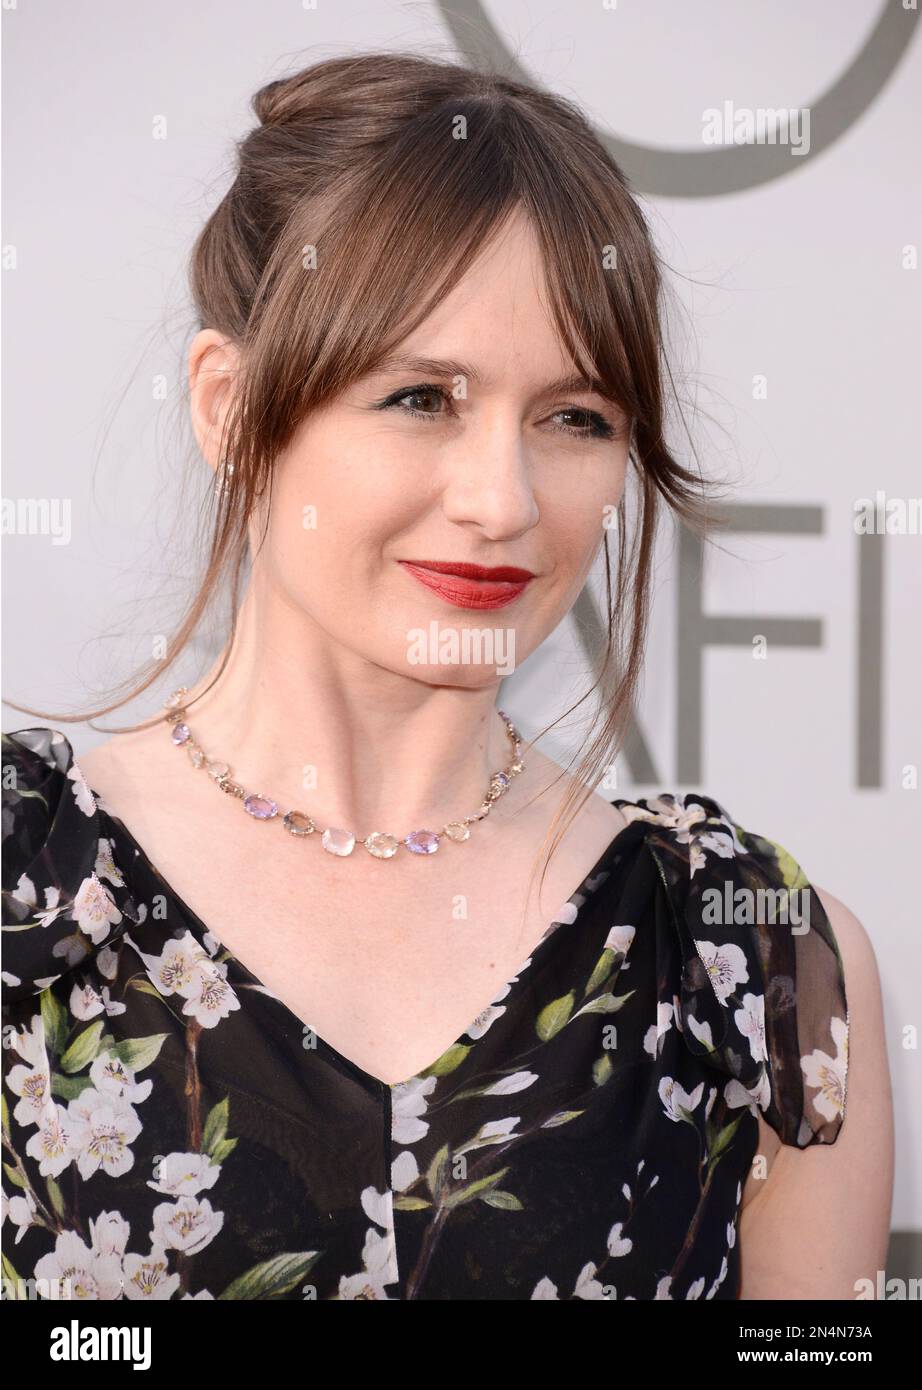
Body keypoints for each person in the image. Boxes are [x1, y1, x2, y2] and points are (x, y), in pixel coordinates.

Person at [1, 51, 892, 1302]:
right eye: (422, 396)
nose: (503, 500)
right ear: (229, 406)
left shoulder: (762, 971)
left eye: (575, 417)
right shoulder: (22, 903)